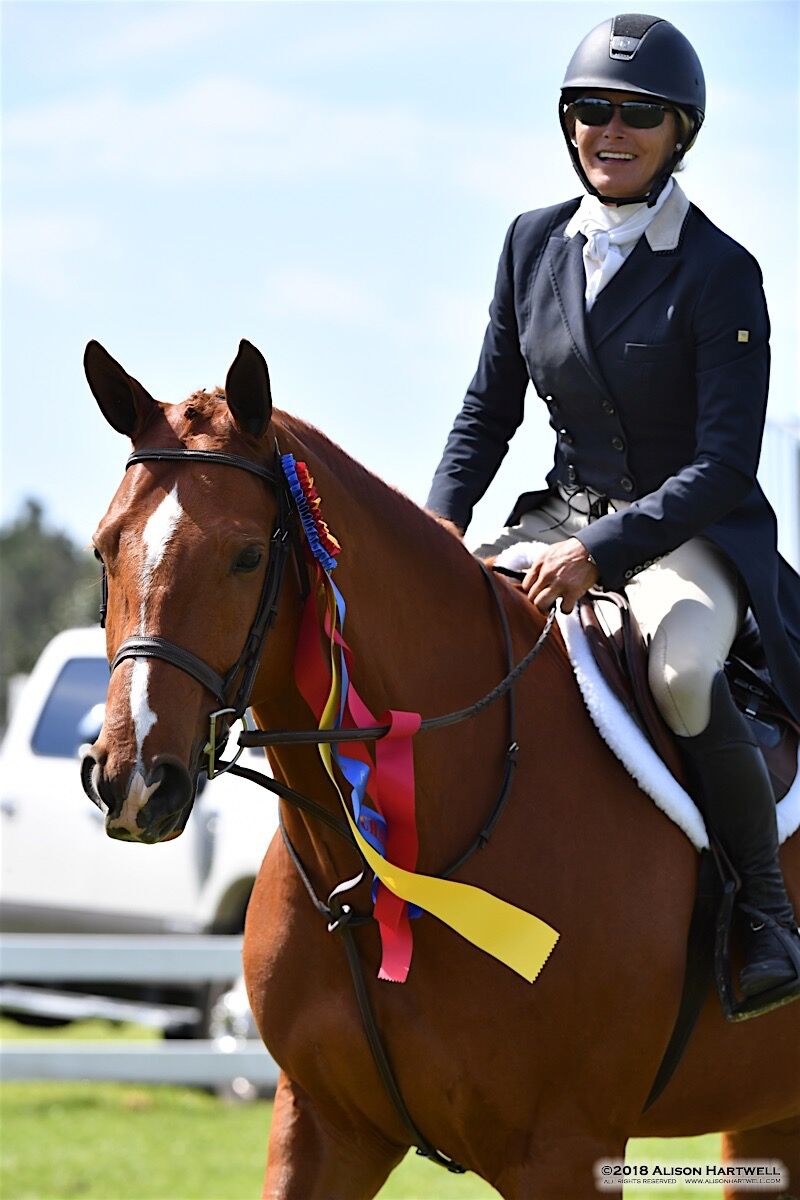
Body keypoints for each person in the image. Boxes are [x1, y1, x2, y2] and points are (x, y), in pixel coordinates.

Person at [426, 13, 800, 1014]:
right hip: (557, 517)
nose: (610, 129)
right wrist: (436, 529)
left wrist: (597, 553)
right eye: (590, 110)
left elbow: (723, 465)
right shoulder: (529, 244)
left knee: (678, 675)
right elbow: (485, 410)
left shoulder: (721, 272)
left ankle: (763, 915)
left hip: (687, 536)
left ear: (679, 131)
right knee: (438, 638)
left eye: (637, 114)